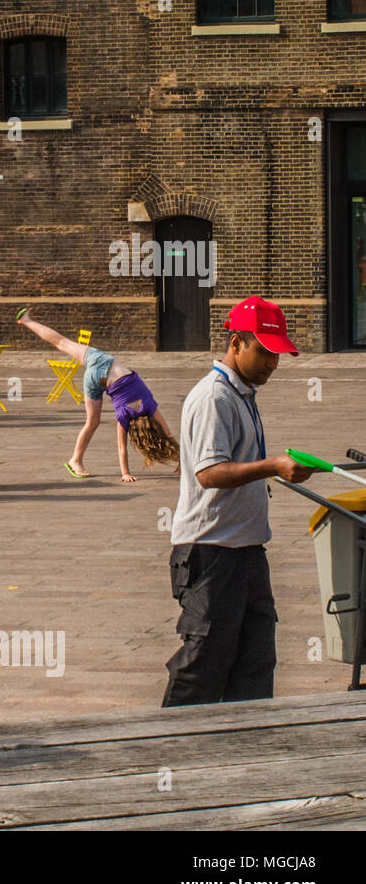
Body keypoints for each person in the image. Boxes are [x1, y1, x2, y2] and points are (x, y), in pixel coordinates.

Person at [162, 297, 315, 707]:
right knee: (204, 662)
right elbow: (209, 474)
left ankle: (245, 744)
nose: (271, 364)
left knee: (255, 662)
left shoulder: (242, 393)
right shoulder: (214, 397)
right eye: (264, 352)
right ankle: (171, 745)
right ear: (236, 344)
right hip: (210, 552)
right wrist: (272, 466)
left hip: (245, 548)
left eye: (277, 355)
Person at [16, 309, 180, 482]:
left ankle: (26, 321)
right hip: (98, 381)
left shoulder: (148, 405)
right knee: (92, 422)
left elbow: (167, 433)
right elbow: (122, 447)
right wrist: (125, 473)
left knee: (62, 342)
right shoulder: (125, 416)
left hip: (101, 362)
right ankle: (75, 460)